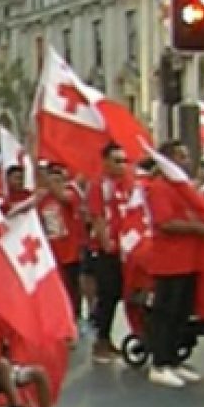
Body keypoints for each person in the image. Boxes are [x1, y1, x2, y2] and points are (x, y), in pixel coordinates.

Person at [141, 143, 204, 388]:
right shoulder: (159, 188)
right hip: (169, 261)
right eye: (181, 156)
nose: (186, 160)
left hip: (188, 260)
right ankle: (159, 363)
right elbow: (165, 223)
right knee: (166, 313)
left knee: (182, 312)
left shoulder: (182, 188)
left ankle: (173, 359)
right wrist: (196, 228)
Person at [86, 144, 133, 363]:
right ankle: (100, 343)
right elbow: (98, 216)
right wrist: (106, 242)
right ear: (105, 162)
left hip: (126, 248)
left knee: (118, 295)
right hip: (107, 250)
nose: (122, 165)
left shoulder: (126, 184)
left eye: (124, 160)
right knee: (108, 295)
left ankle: (108, 339)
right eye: (116, 160)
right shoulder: (99, 186)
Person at [37, 164, 86, 320]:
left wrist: (53, 185)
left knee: (72, 289)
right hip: (51, 254)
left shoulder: (71, 194)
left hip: (70, 253)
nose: (54, 184)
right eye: (52, 180)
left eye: (58, 180)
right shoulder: (42, 200)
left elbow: (65, 198)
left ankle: (75, 318)